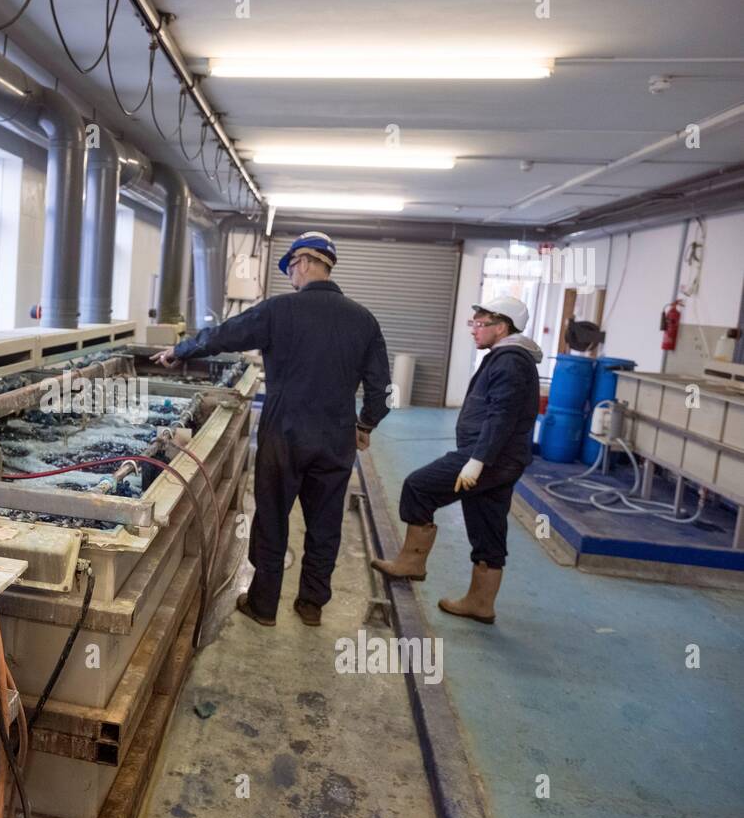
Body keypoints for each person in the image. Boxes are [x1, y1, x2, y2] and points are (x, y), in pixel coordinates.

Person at [151, 231, 391, 628]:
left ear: (302, 262)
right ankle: (312, 605)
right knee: (326, 523)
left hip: (285, 435)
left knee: (273, 518)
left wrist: (180, 350)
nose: (291, 277)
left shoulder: (279, 311)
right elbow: (381, 390)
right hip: (335, 438)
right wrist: (365, 424)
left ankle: (264, 605)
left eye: (291, 268)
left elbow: (225, 335)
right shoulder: (363, 320)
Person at [372, 296, 542, 624]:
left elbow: (501, 415)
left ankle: (411, 563)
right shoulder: (509, 358)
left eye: (480, 324)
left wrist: (477, 460)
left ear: (502, 327)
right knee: (487, 525)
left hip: (490, 458)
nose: (474, 330)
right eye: (473, 323)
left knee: (418, 487)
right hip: (502, 460)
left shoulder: (509, 361)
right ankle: (481, 604)